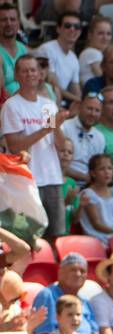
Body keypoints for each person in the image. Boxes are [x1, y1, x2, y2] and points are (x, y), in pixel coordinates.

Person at [3, 55, 70, 238]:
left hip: (53, 178)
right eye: (24, 70)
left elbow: (62, 145)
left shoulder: (49, 104)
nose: (29, 74)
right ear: (16, 75)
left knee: (57, 236)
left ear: (40, 74)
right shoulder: (11, 106)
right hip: (25, 182)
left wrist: (56, 127)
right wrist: (47, 128)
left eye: (33, 70)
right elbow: (15, 146)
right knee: (29, 237)